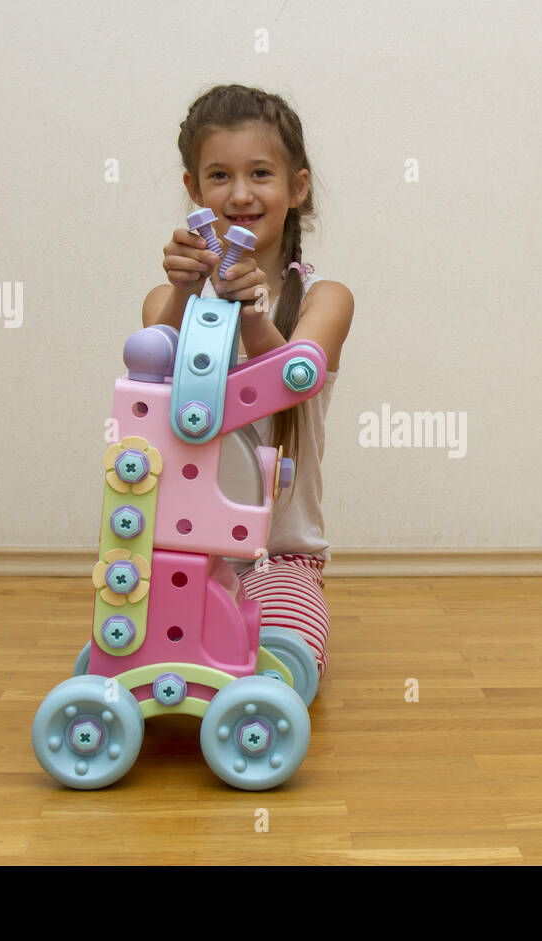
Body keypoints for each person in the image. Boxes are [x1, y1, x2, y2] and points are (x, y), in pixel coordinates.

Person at [142, 84, 353, 685]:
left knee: (278, 663)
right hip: (186, 551)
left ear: (298, 188)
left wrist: (255, 312)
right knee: (145, 648)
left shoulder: (324, 300)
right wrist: (186, 290)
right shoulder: (167, 299)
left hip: (281, 555)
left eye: (260, 173)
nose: (239, 194)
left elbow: (295, 376)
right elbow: (150, 370)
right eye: (218, 176)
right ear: (193, 190)